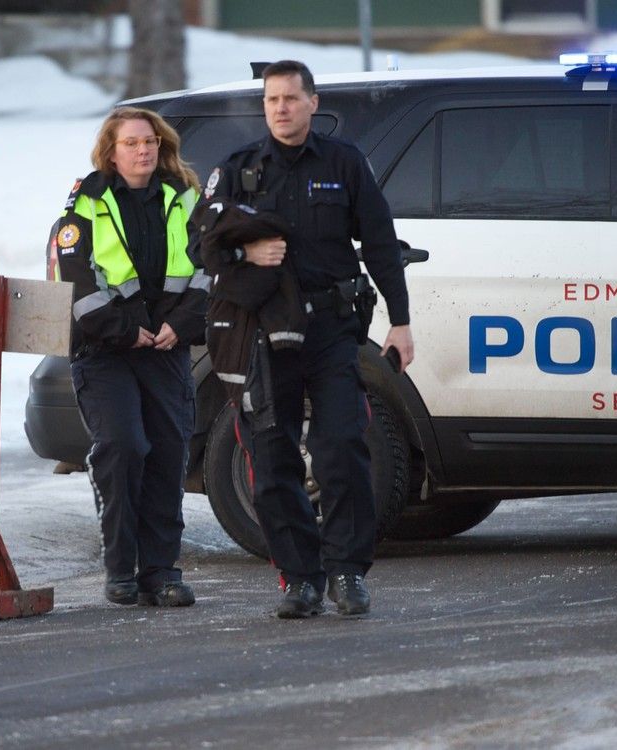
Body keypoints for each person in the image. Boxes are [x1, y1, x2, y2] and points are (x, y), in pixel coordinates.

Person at [190, 60, 414, 619]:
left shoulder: (344, 164)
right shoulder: (239, 170)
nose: (282, 108)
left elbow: (382, 245)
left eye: (292, 98)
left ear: (313, 103)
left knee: (341, 448)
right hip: (260, 334)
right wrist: (246, 253)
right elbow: (201, 245)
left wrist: (402, 322)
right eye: (272, 100)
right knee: (272, 457)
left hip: (331, 330)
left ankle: (346, 573)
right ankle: (299, 579)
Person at [55, 107, 208, 607]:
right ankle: (121, 568)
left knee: (167, 456)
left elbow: (210, 272)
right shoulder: (86, 206)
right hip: (105, 351)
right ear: (111, 151)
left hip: (167, 348)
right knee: (123, 446)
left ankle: (161, 572)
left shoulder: (185, 200)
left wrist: (177, 327)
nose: (144, 151)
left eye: (150, 143)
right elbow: (76, 287)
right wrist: (129, 331)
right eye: (132, 143)